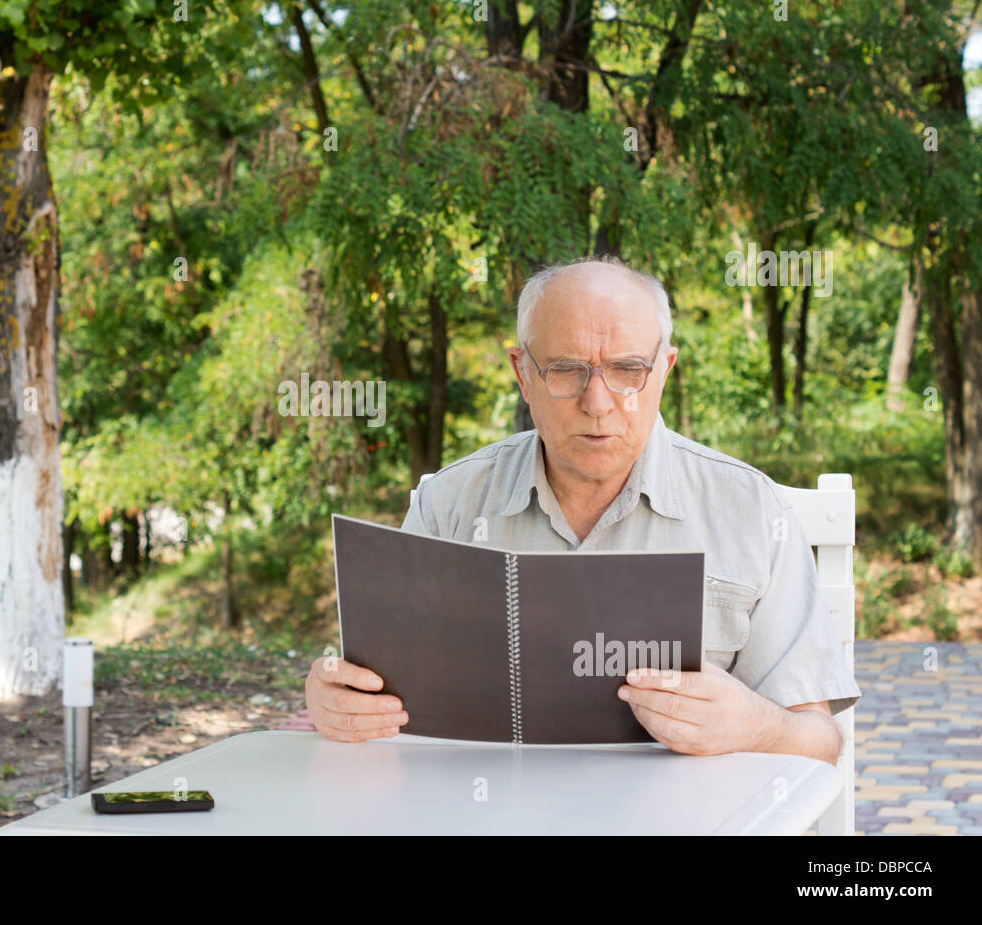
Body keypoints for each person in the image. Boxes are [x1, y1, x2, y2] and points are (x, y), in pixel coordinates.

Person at [304, 255, 861, 763]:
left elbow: (820, 741)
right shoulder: (450, 504)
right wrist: (336, 698)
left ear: (664, 370)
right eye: (567, 370)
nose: (598, 403)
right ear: (523, 373)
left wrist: (753, 726)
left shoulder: (749, 508)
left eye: (627, 371)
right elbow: (376, 700)